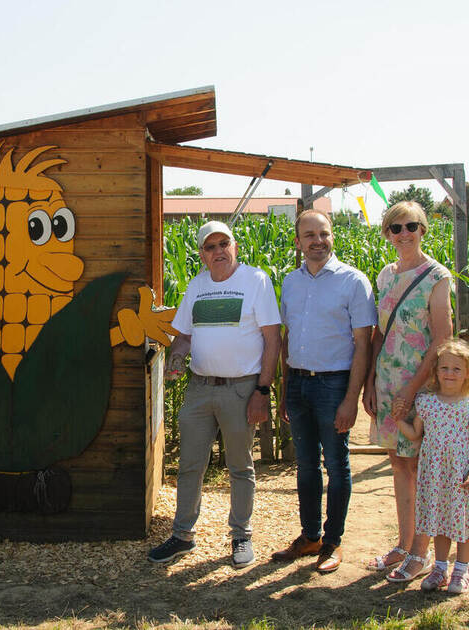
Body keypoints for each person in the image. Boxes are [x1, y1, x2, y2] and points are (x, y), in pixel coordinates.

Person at [147, 220, 281, 569]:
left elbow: (272, 339)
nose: (219, 251)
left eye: (225, 243)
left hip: (241, 389)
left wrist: (262, 392)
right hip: (199, 388)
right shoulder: (197, 285)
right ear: (202, 254)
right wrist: (176, 358)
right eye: (211, 246)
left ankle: (241, 535)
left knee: (240, 466)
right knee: (190, 465)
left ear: (235, 246)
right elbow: (185, 337)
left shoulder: (256, 281)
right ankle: (182, 536)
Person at [272, 210, 375, 573]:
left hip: (334, 383)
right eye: (309, 235)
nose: (318, 241)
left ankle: (332, 542)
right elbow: (287, 339)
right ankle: (310, 536)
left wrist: (351, 397)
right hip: (299, 382)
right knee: (306, 466)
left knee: (336, 464)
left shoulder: (353, 281)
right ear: (298, 242)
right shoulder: (290, 282)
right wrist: (286, 390)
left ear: (332, 237)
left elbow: (364, 344)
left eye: (324, 234)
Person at [361, 201, 453, 583]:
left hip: (421, 386)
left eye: (411, 226)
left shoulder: (437, 276)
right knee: (398, 463)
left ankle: (420, 552)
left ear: (423, 230)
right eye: (396, 227)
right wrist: (369, 381)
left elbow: (442, 340)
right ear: (386, 233)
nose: (404, 234)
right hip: (387, 382)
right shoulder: (385, 275)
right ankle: (403, 542)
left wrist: (413, 391)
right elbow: (379, 332)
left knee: (418, 467)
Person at [397, 338, 469, 594]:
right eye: (444, 368)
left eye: (457, 369)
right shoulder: (427, 403)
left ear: (467, 374)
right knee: (440, 521)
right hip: (435, 477)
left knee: (464, 522)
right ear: (436, 371)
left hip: (461, 477)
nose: (450, 374)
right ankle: (440, 568)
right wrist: (397, 419)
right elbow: (415, 434)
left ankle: (461, 570)